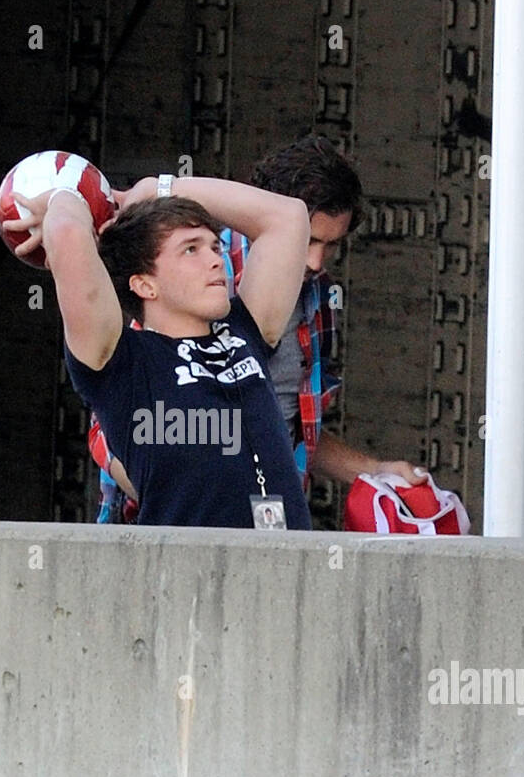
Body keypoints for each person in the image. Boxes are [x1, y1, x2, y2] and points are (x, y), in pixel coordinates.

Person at [89, 135, 427, 524]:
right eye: (309, 240)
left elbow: (288, 427)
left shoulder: (319, 298)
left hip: (274, 532)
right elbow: (108, 432)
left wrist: (371, 470)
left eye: (331, 245)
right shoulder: (198, 279)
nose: (316, 261)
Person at [3, 173, 313, 529]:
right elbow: (70, 235)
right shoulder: (121, 363)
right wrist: (67, 194)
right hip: (189, 573)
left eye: (214, 247)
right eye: (191, 249)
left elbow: (288, 217)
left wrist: (156, 189)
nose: (215, 260)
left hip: (287, 563)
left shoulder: (246, 329)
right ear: (144, 284)